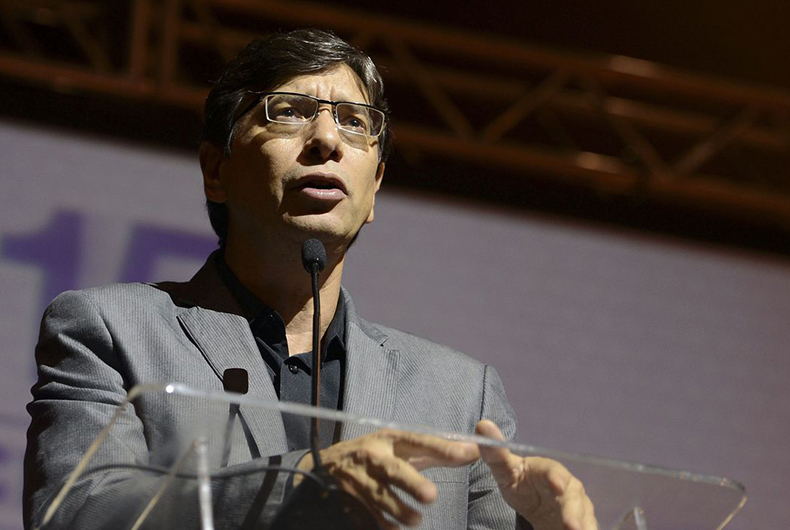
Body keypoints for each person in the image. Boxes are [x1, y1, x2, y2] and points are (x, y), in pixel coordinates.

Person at [24, 29, 596, 529]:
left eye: (354, 122)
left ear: (374, 189)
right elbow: (78, 514)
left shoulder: (459, 394)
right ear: (216, 170)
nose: (328, 140)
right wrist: (301, 480)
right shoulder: (112, 330)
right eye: (290, 111)